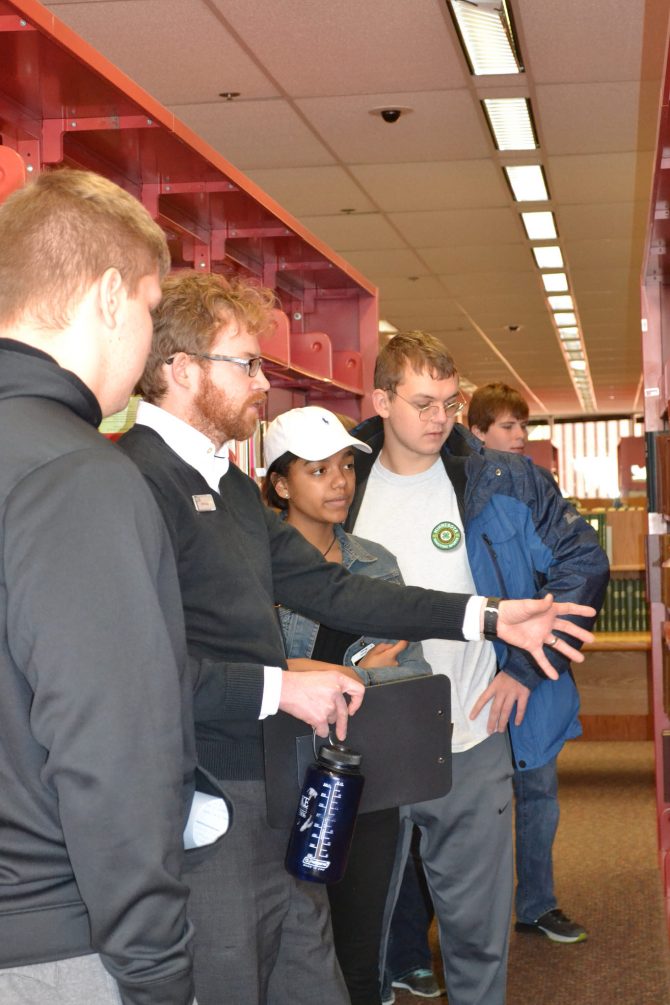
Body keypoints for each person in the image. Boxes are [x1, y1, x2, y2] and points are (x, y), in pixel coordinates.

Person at [117, 272, 595, 1005]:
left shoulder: (233, 490)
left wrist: (489, 616)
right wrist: (285, 683)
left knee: (317, 978)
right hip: (204, 802)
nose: (261, 381)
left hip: (279, 788)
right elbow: (136, 673)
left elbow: (338, 588)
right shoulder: (130, 482)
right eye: (245, 363)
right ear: (182, 370)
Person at [346, 332, 609, 1005]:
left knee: (476, 933)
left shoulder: (500, 476)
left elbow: (584, 563)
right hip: (363, 741)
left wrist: (523, 664)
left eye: (450, 402)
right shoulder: (339, 475)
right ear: (381, 399)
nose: (440, 417)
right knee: (355, 933)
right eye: (423, 401)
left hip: (473, 732)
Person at [0, 168, 200, 1005]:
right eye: (153, 307)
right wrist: (157, 970)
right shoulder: (82, 475)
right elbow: (113, 749)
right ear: (112, 297)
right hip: (57, 944)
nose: (149, 335)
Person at [262, 405, 432, 1005]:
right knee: (291, 949)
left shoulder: (376, 563)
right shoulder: (248, 568)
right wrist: (356, 672)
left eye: (345, 468)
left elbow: (412, 674)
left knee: (361, 954)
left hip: (370, 780)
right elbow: (254, 683)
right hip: (280, 789)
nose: (339, 482)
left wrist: (313, 676)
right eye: (317, 470)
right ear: (280, 484)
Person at [469, 381, 593, 942]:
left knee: (539, 797)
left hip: (536, 680)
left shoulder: (536, 493)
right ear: (476, 436)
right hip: (475, 684)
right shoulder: (459, 503)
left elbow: (576, 576)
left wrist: (527, 664)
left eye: (524, 426)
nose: (520, 437)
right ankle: (463, 925)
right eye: (507, 427)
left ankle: (537, 905)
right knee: (471, 809)